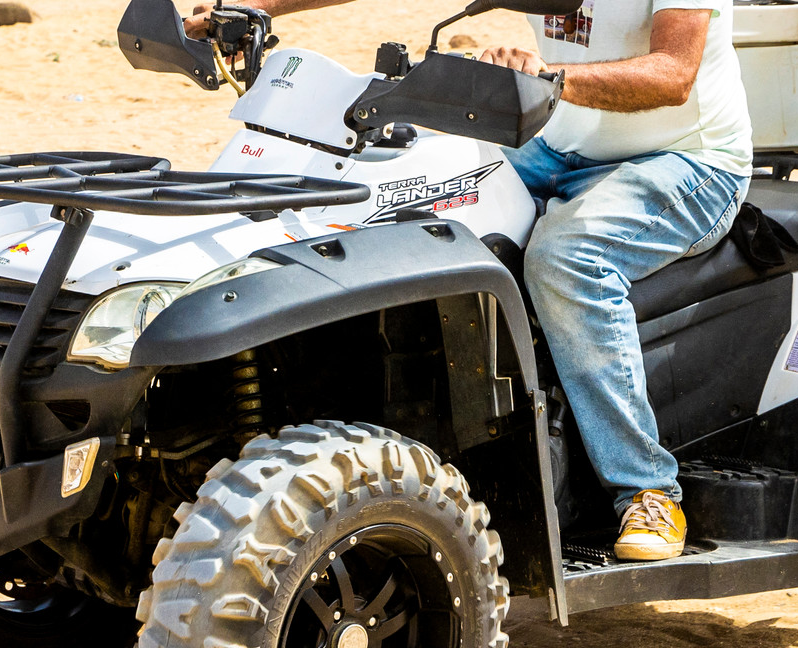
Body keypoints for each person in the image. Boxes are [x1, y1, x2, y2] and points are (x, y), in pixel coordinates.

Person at [187, 0, 753, 561]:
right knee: (406, 206)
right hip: (560, 146)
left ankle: (647, 488)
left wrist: (547, 76)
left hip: (687, 161)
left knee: (567, 259)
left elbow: (673, 74)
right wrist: (252, 6)